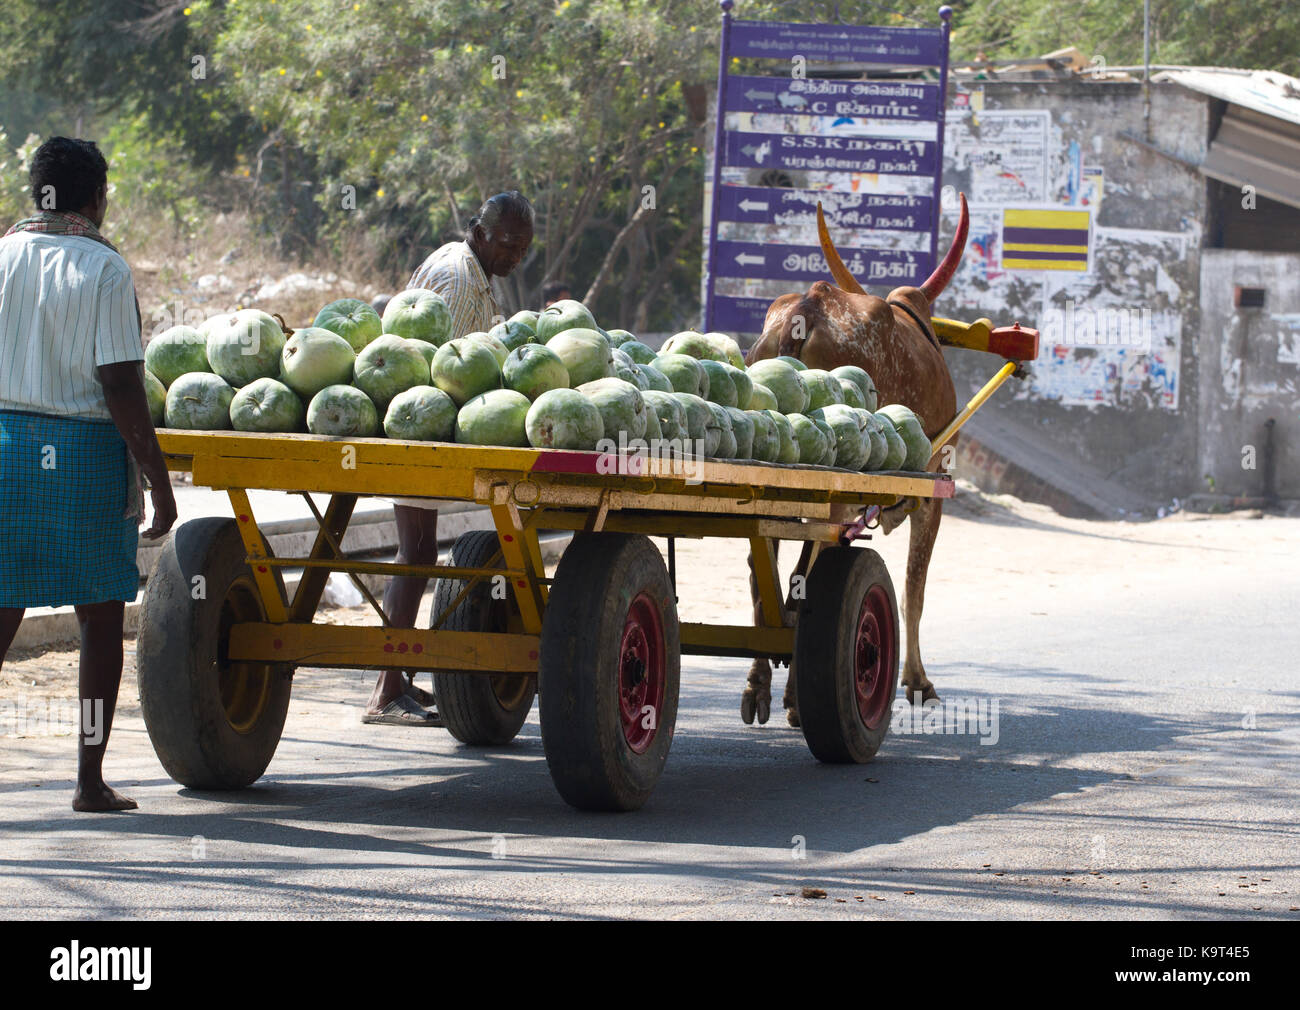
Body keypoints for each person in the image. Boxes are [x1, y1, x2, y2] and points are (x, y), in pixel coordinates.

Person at [0, 137, 177, 810]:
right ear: (97, 197)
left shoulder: (4, 254)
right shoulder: (105, 269)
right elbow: (120, 383)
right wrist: (158, 478)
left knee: (0, 603)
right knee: (99, 617)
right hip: (82, 454)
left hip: (7, 445)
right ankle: (87, 780)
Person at [364, 191, 534, 725]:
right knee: (415, 553)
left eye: (523, 249)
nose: (514, 258)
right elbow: (454, 370)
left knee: (415, 553)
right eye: (507, 245)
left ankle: (397, 680)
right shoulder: (462, 281)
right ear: (480, 234)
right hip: (420, 424)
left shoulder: (457, 261)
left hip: (410, 417)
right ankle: (387, 690)